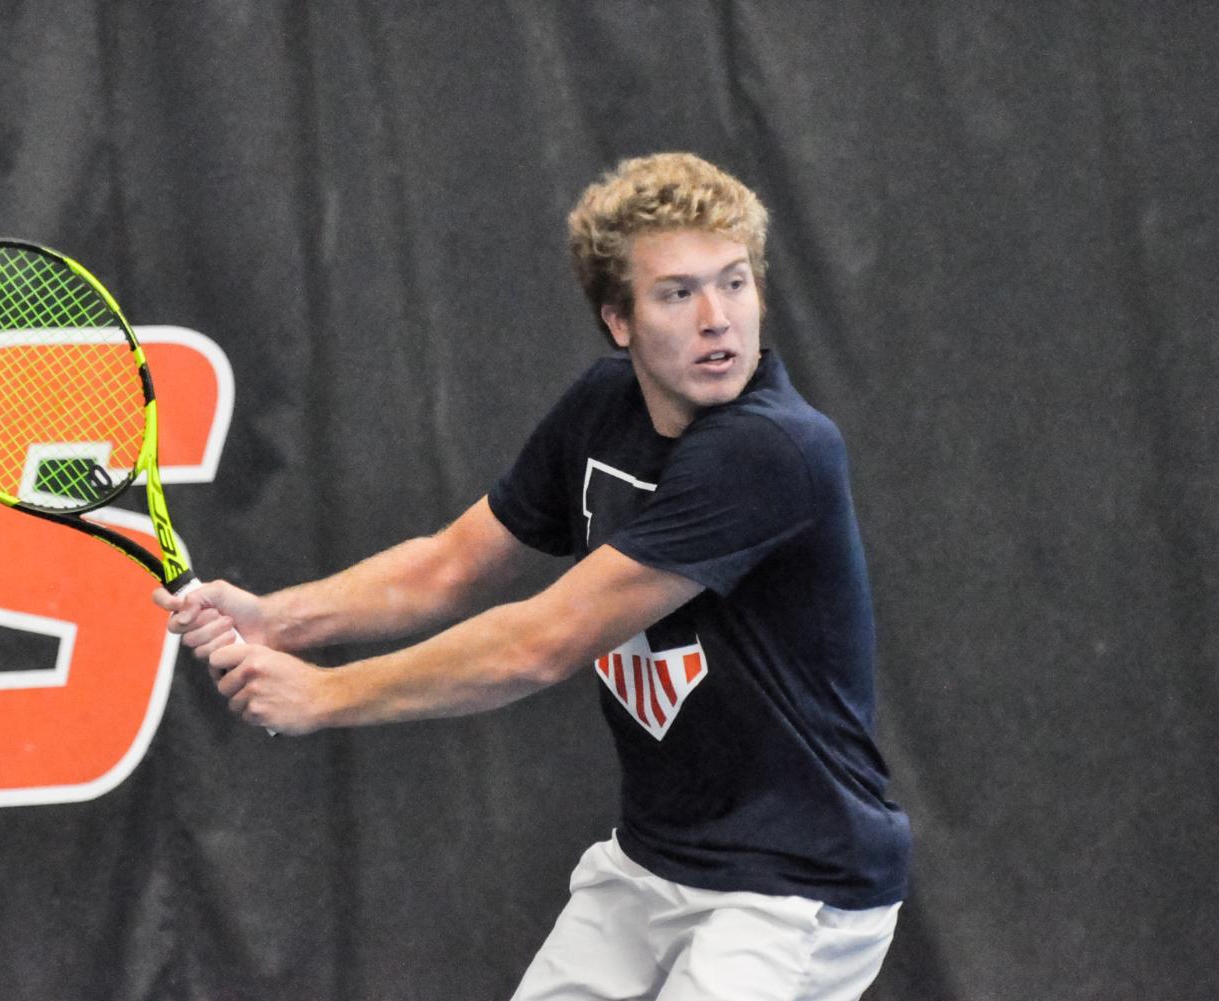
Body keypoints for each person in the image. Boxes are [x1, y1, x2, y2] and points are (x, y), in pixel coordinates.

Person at [155, 152, 910, 1001]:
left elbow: (537, 645)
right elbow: (451, 564)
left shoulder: (772, 449)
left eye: (733, 283)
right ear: (617, 321)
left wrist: (324, 697)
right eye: (676, 292)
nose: (716, 319)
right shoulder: (601, 407)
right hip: (653, 863)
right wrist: (275, 620)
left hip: (793, 889)